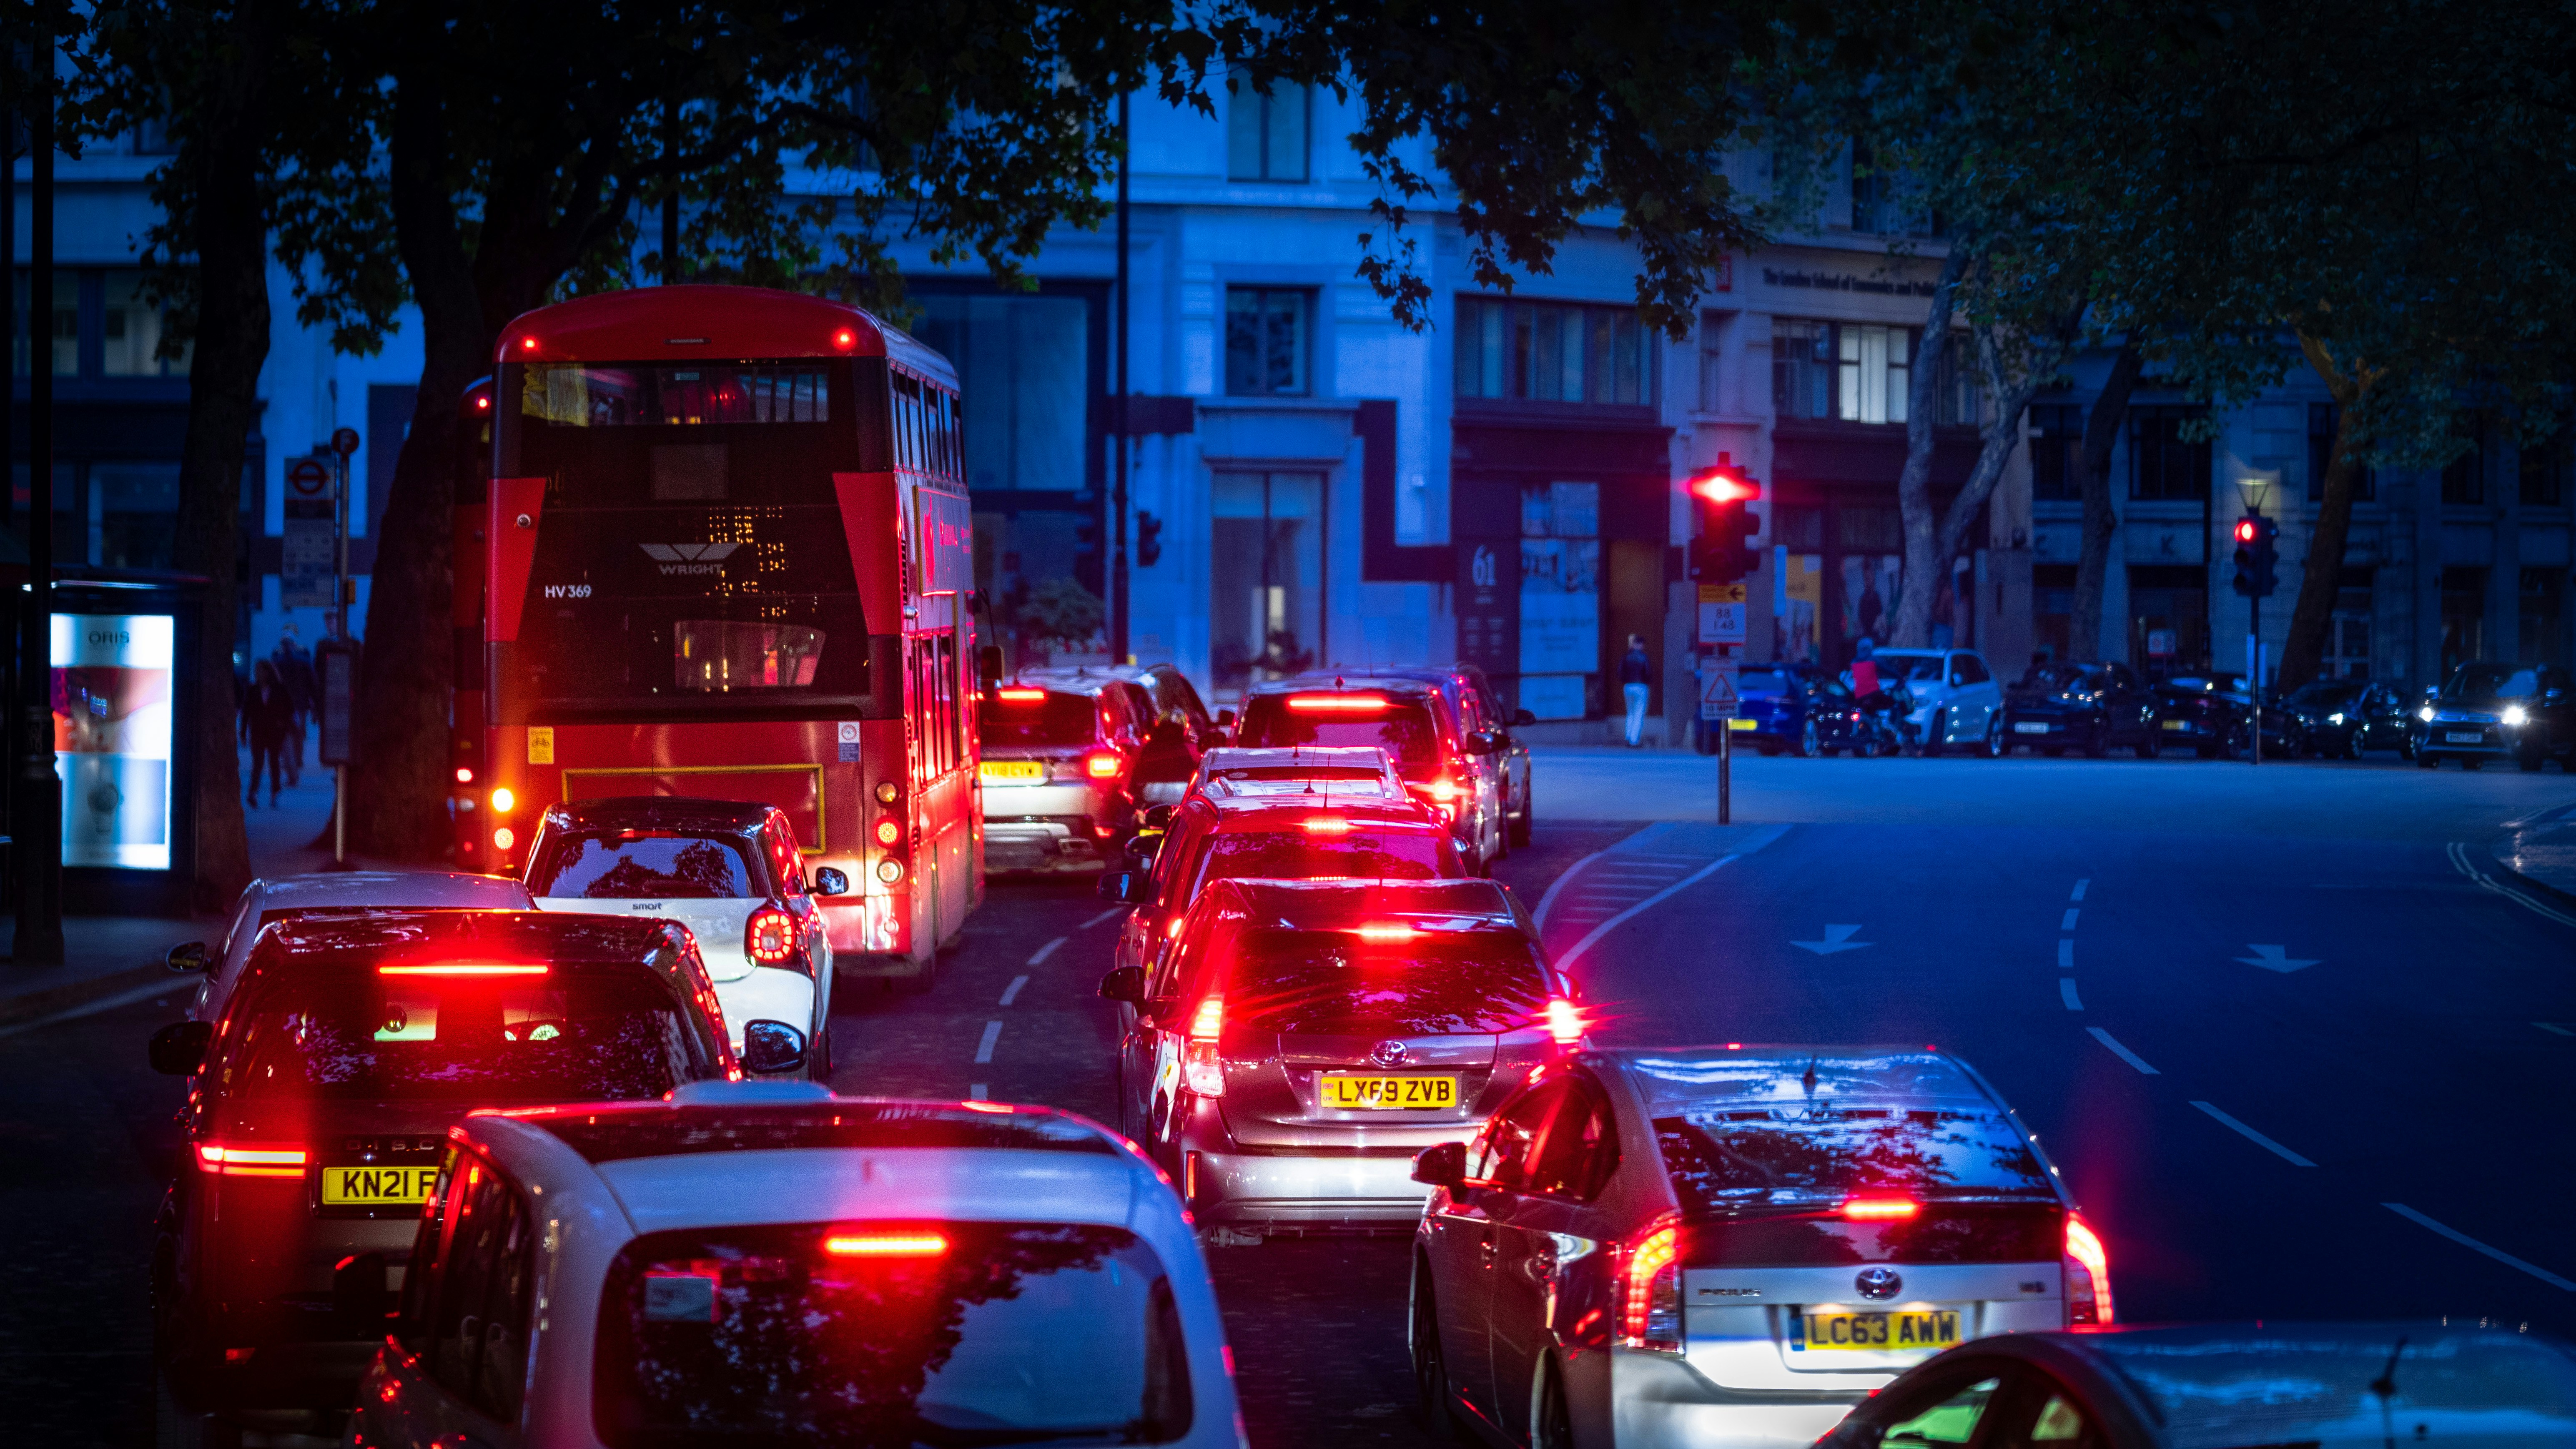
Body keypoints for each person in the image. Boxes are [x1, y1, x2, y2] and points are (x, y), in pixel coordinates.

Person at [241, 659, 298, 809]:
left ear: (268, 672)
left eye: (260, 671)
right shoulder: (253, 690)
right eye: (256, 671)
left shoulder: (279, 689)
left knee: (274, 763)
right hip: (258, 732)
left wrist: (282, 724)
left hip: (275, 731)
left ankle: (275, 793)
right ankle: (253, 793)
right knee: (258, 763)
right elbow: (246, 712)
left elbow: (290, 709)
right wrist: (243, 732)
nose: (258, 674)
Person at [273, 629, 317, 787]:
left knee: (285, 736)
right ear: (294, 645)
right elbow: (313, 685)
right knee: (299, 733)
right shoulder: (304, 661)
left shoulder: (277, 662)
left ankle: (291, 765)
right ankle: (297, 760)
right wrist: (314, 706)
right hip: (300, 705)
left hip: (282, 706)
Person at [1618, 634, 1653, 747]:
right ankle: (1634, 740)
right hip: (1641, 686)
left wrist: (1627, 680)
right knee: (1639, 713)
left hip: (1628, 686)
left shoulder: (1626, 657)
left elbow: (1620, 673)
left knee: (1630, 713)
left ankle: (1628, 736)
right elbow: (1648, 673)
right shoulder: (1644, 657)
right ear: (1640, 645)